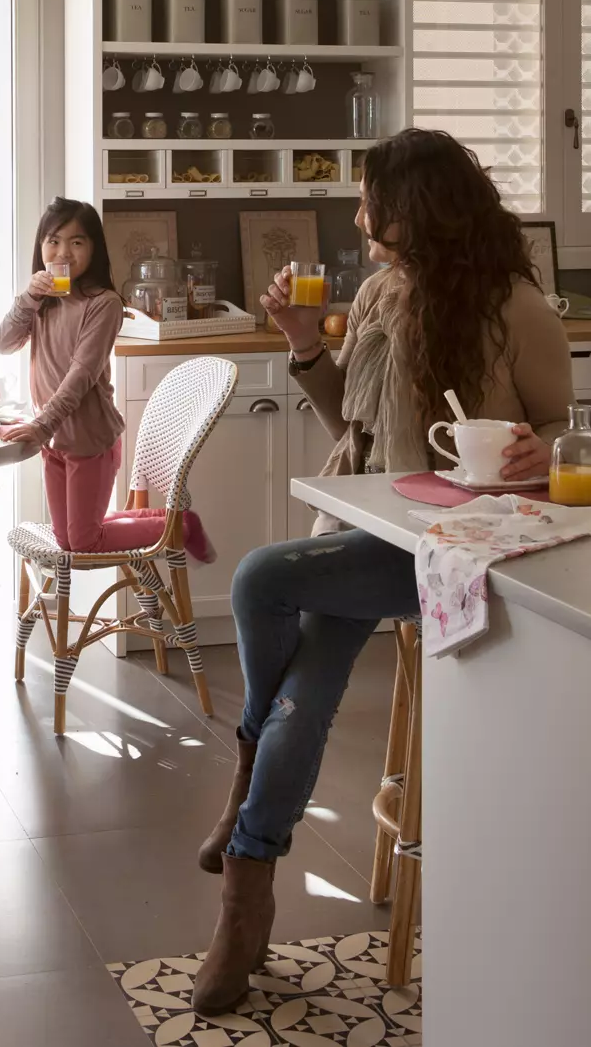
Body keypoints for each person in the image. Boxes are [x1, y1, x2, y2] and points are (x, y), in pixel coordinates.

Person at [192, 129, 573, 1016]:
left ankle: (245, 803)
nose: (359, 215)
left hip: (455, 552)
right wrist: (300, 343)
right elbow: (350, 434)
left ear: (416, 208)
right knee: (301, 697)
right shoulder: (374, 294)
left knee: (256, 577)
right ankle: (246, 899)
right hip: (365, 530)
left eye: (371, 200)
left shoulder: (517, 309)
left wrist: (535, 452)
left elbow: (566, 430)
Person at [0, 197, 213, 561]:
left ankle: (181, 525)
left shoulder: (104, 303)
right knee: (69, 540)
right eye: (53, 241)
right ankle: (164, 518)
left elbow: (81, 374)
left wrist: (41, 425)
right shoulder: (42, 302)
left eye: (76, 242)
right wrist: (28, 297)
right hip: (53, 439)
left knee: (83, 541)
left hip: (89, 440)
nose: (63, 252)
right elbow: (3, 344)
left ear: (94, 248)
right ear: (41, 247)